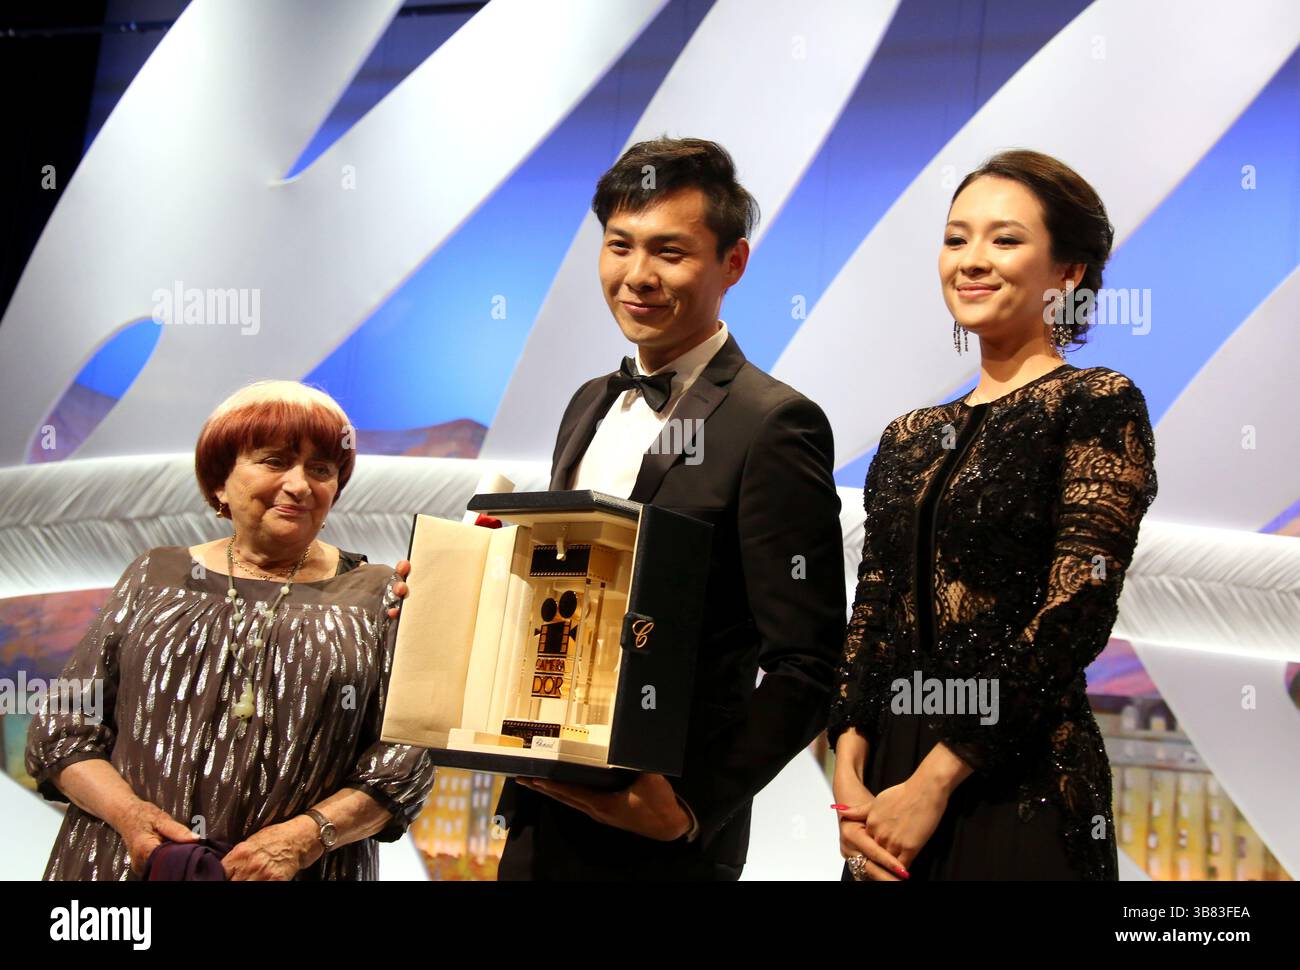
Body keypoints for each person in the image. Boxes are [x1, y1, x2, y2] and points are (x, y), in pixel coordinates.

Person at [472, 137, 846, 879]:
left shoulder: (773, 422)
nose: (636, 276)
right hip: (542, 806)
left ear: (732, 264)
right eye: (619, 246)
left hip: (661, 841)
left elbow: (808, 663)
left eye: (669, 252)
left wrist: (692, 807)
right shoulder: (589, 402)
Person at [829, 149, 1158, 881]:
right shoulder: (908, 434)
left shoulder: (1097, 403)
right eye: (956, 239)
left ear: (1067, 272)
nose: (972, 260)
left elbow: (1076, 609)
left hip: (1018, 777)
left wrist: (936, 781)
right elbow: (874, 609)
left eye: (1005, 240)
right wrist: (848, 770)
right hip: (886, 784)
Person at [25, 381, 436, 880]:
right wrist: (132, 819)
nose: (300, 484)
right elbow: (64, 730)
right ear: (220, 481)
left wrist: (304, 839)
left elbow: (406, 756)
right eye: (274, 461)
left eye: (321, 469)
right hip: (123, 867)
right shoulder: (155, 575)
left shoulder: (382, 596)